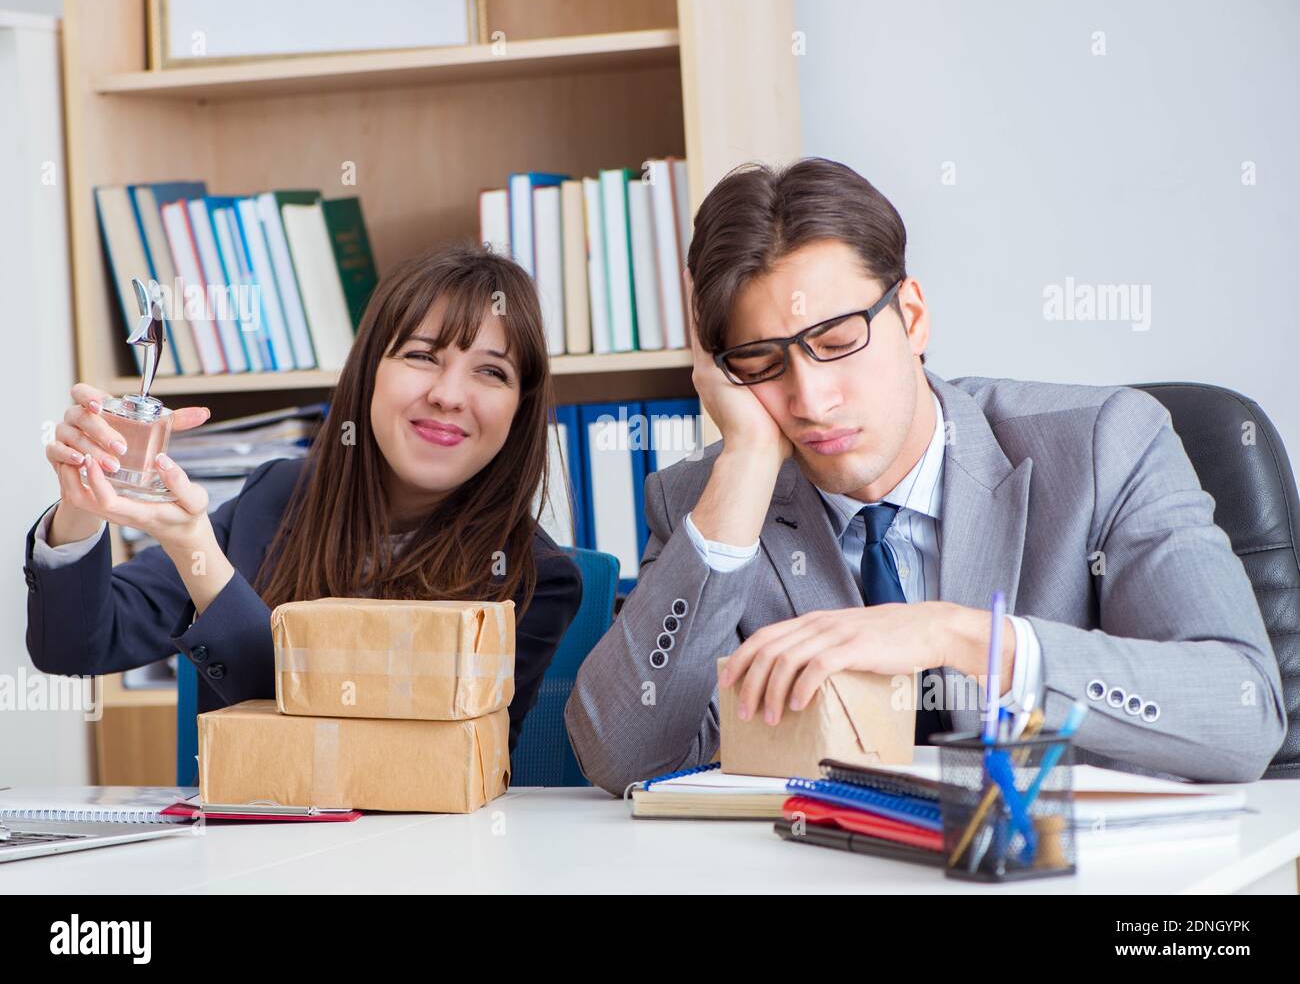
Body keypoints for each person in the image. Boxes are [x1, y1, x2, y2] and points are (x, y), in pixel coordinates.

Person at [565, 157, 1285, 793]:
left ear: (911, 317)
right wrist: (747, 460)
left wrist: (963, 637)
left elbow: (1243, 709)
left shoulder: (1107, 445)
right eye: (762, 366)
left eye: (837, 343)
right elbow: (624, 756)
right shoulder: (712, 507)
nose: (812, 401)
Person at [27, 243, 582, 755]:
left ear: (519, 408)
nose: (448, 395)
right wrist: (83, 501)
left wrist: (203, 561)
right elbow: (75, 647)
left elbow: (389, 757)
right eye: (422, 356)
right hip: (238, 852)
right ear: (369, 372)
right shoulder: (278, 497)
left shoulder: (535, 579)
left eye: (490, 371)